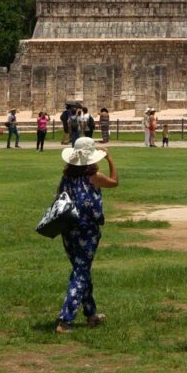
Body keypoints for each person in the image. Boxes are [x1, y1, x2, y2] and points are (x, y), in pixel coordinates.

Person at [55, 136, 118, 333]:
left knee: (81, 269)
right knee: (80, 273)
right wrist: (110, 160)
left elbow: (58, 198)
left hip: (68, 228)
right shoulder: (94, 177)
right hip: (87, 230)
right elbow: (114, 182)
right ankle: (65, 320)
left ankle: (91, 314)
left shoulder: (67, 178)